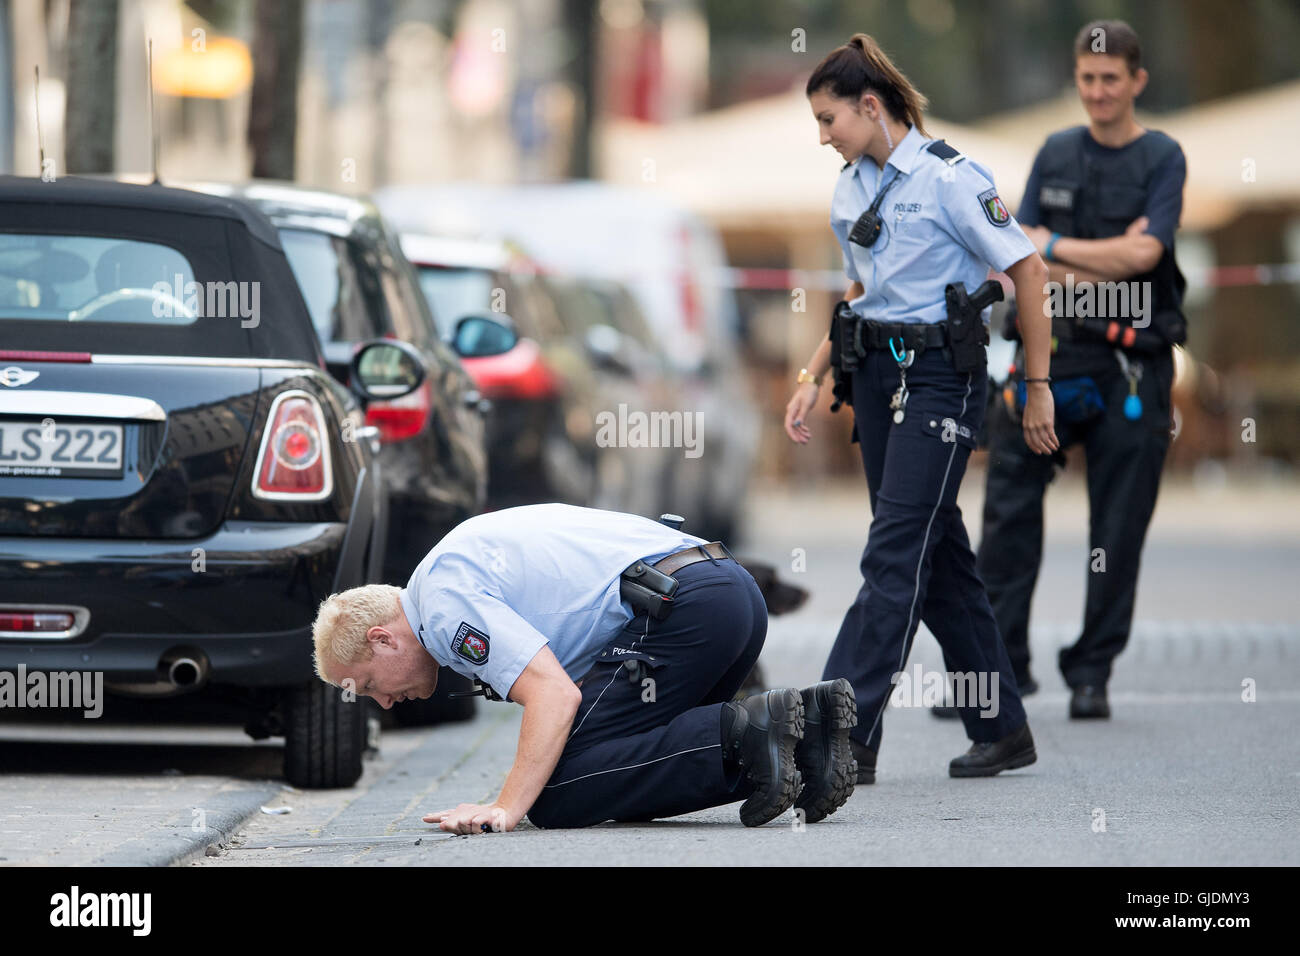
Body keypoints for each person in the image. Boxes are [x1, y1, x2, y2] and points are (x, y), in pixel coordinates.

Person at [784, 34, 1057, 785]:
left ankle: (838, 734)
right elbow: (858, 293)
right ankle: (1001, 727)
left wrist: (1037, 386)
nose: (822, 135)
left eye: (828, 118)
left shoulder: (952, 179)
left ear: (870, 106)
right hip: (873, 373)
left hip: (942, 377)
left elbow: (1027, 269)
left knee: (895, 552)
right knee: (936, 557)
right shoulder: (849, 184)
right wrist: (812, 372)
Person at [311, 503, 859, 831]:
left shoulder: (442, 607)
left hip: (687, 608)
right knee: (606, 757)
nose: (382, 704)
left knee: (556, 791)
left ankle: (752, 731)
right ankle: (808, 732)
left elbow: (554, 697)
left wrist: (505, 806)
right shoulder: (444, 573)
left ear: (382, 640)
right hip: (731, 591)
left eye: (368, 688)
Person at [957, 20, 1186, 721]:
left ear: (1136, 82)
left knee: (1116, 529)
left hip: (1131, 367)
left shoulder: (1162, 157)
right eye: (1087, 79)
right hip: (1049, 355)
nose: (1098, 91)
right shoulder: (1055, 151)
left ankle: (1092, 672)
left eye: (1111, 78)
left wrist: (1057, 246)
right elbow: (1020, 255)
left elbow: (1145, 257)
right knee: (1007, 511)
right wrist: (1092, 250)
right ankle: (1002, 672)